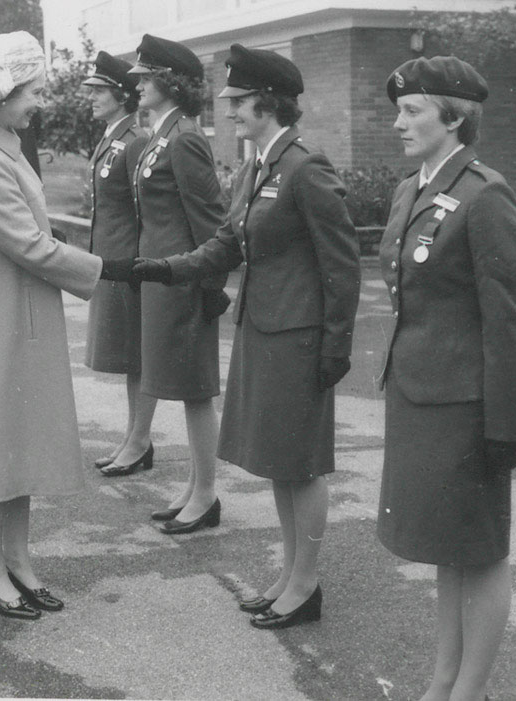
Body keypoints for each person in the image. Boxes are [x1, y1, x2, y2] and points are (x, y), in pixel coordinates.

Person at [133, 44, 361, 627]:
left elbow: (343, 264)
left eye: (237, 100)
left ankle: (305, 583)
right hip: (265, 330)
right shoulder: (260, 165)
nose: (228, 109)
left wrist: (336, 347)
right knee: (282, 462)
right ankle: (290, 576)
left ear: (267, 103)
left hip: (300, 338)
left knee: (300, 464)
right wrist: (161, 268)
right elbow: (226, 244)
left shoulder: (305, 168)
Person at [0, 31, 136, 620]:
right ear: (2, 91)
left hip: (12, 315)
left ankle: (18, 561)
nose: (41, 100)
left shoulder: (0, 140)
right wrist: (109, 268)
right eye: (33, 90)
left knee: (19, 441)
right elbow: (27, 244)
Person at [377, 56, 516, 701]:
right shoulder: (411, 187)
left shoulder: (484, 193)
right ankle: (443, 681)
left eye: (412, 110)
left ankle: (469, 691)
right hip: (420, 396)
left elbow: (512, 322)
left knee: (480, 548)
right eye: (400, 110)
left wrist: (505, 428)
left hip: (467, 404)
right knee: (448, 547)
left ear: (455, 117)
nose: (398, 123)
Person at [123, 34, 227, 531]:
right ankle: (193, 488)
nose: (138, 84)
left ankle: (206, 494)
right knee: (183, 388)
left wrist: (209, 287)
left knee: (195, 390)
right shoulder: (160, 136)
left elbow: (210, 222)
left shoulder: (185, 137)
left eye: (146, 77)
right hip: (161, 281)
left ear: (170, 83)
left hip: (184, 281)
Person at [80, 51, 156, 476]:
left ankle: (140, 440)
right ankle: (133, 437)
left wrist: (135, 262)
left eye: (99, 91)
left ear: (122, 95)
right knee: (129, 356)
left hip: (129, 264)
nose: (90, 97)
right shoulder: (114, 135)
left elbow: (145, 210)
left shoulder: (136, 140)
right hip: (110, 263)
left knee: (137, 356)